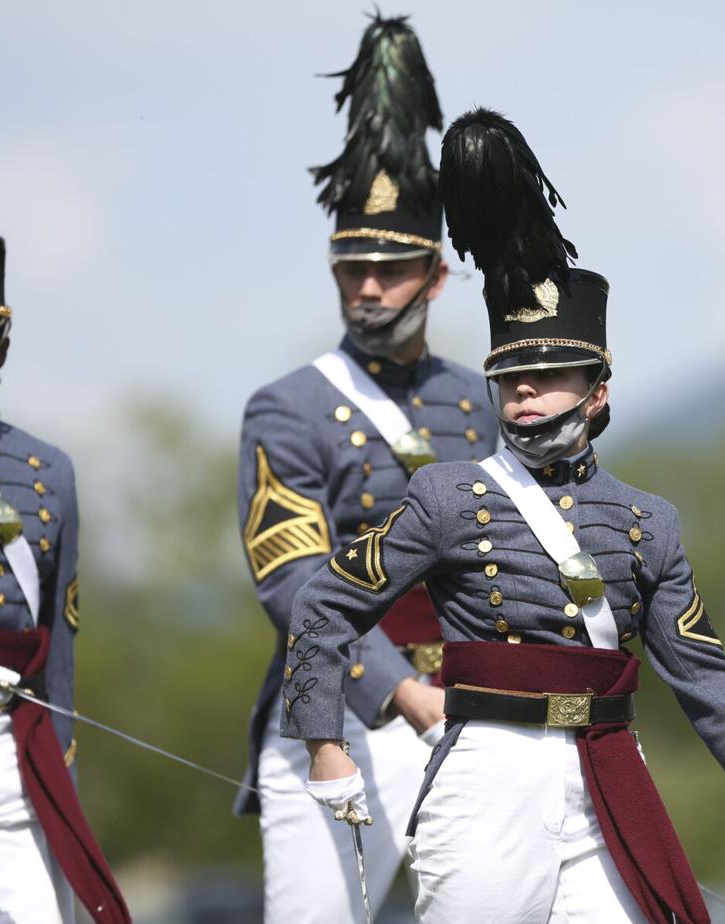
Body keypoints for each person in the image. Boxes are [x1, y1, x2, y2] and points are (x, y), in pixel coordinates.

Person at [279, 108, 725, 924]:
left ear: (597, 391)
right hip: (487, 771)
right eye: (510, 376)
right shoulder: (448, 497)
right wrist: (324, 744)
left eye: (549, 374)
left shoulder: (649, 521)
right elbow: (325, 602)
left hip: (606, 770)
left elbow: (697, 664)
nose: (524, 391)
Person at [233, 16, 496, 922]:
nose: (367, 288)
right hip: (340, 711)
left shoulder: (486, 402)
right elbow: (297, 581)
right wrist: (401, 691)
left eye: (389, 269)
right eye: (352, 268)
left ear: (435, 276)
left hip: (473, 709)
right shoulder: (287, 407)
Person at [0, 84, 128, 923]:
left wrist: (60, 736)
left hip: (15, 743)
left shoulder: (46, 467)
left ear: (1, 339)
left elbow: (61, 624)